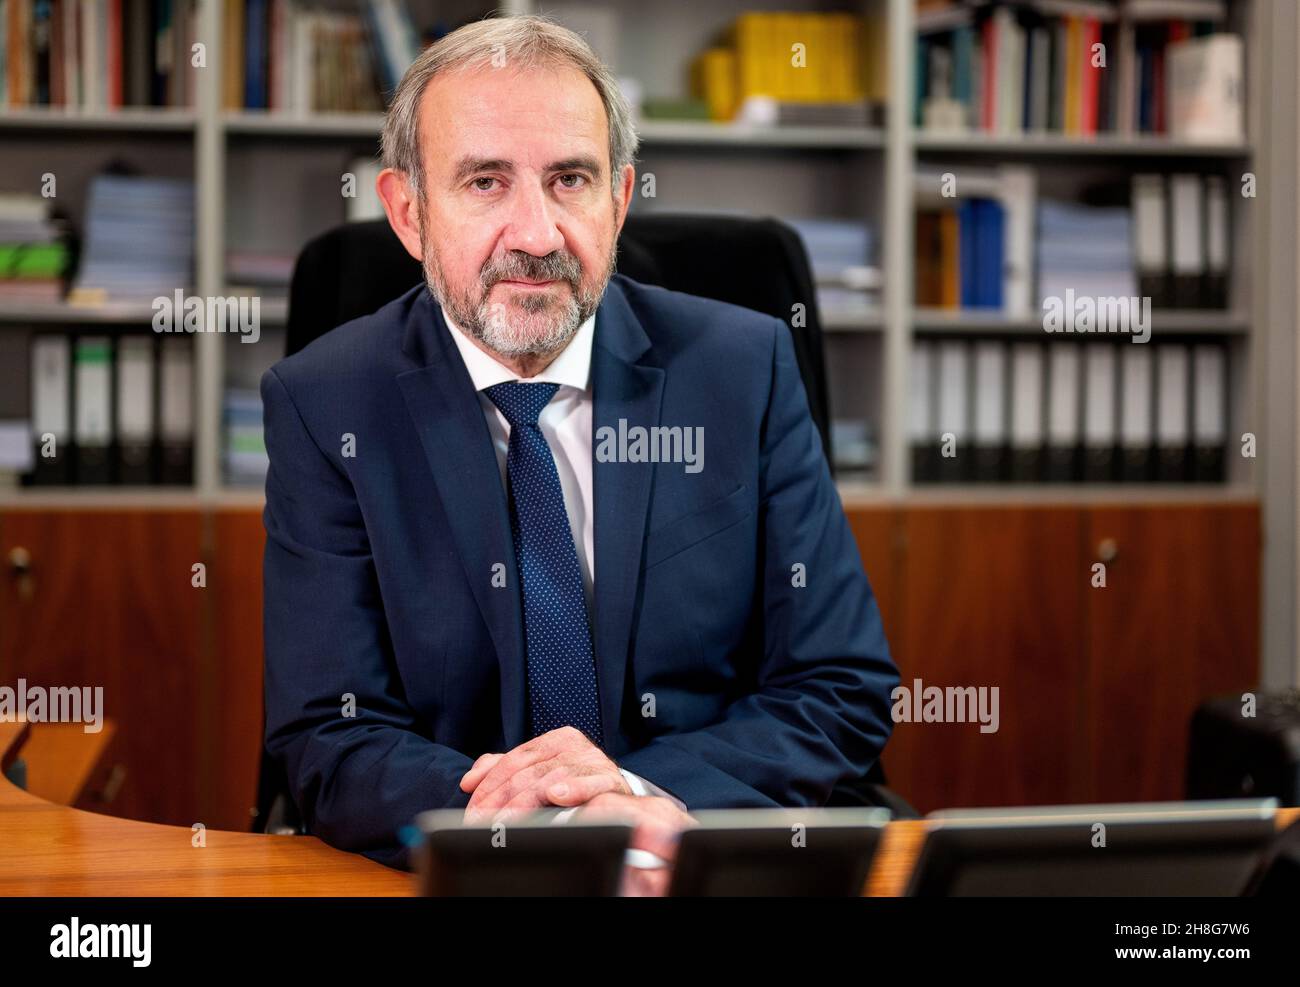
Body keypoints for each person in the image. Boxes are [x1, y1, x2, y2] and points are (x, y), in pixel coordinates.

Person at [261, 15, 898, 881]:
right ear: (409, 213)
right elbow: (327, 732)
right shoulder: (324, 402)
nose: (536, 234)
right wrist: (534, 822)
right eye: (485, 182)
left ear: (620, 197)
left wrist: (637, 795)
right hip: (458, 876)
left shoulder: (742, 372)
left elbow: (838, 684)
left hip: (703, 860)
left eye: (570, 180)